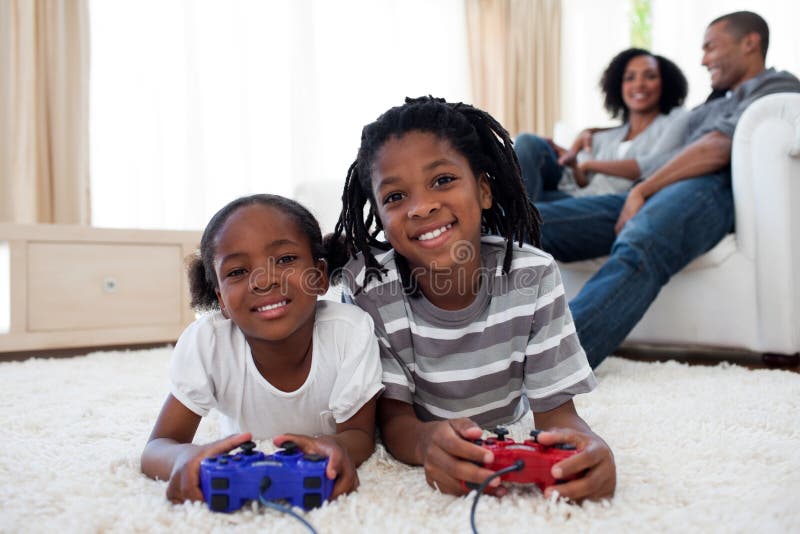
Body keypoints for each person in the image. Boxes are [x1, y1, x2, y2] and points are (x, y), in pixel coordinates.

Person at [328, 96, 616, 502]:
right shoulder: (368, 289)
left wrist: (589, 448)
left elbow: (557, 415)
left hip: (506, 424)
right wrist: (427, 441)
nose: (422, 206)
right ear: (376, 211)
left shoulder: (532, 275)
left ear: (483, 191)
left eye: (443, 180)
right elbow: (393, 422)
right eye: (395, 197)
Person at [534, 11, 800, 368]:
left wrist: (640, 191)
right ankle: (462, 343)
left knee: (642, 241)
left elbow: (717, 149)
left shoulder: (774, 88)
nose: (704, 59)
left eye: (711, 47)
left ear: (750, 42)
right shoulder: (716, 100)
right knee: (530, 220)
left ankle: (550, 367)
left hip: (710, 190)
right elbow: (660, 152)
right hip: (663, 192)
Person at [140, 194, 383, 503]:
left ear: (319, 277)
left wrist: (338, 447)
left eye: (285, 259)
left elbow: (360, 435)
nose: (264, 281)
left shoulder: (350, 331)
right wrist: (183, 458)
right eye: (237, 272)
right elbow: (158, 445)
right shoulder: (209, 342)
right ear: (220, 301)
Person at [515, 48, 688, 202]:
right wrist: (574, 163)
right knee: (527, 142)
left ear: (665, 83)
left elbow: (650, 166)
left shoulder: (675, 120)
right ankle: (515, 229)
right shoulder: (607, 136)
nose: (639, 84)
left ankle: (517, 228)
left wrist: (590, 165)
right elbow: (583, 182)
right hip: (581, 197)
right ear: (618, 86)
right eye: (630, 78)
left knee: (525, 212)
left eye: (650, 76)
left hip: (616, 203)